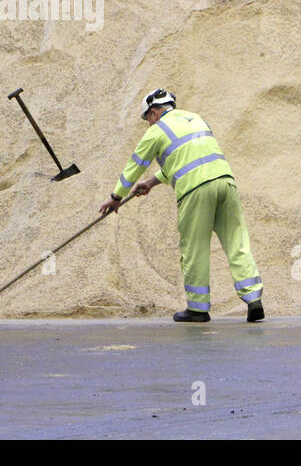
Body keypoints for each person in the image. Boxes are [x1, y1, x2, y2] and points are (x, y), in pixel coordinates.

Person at [99, 89, 264, 323]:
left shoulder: (156, 131)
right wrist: (151, 183)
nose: (147, 123)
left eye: (147, 118)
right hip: (225, 182)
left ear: (154, 112)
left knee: (194, 249)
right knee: (237, 242)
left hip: (195, 190)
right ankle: (254, 299)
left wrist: (117, 196)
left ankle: (197, 309)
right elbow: (186, 159)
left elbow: (134, 165)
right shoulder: (196, 118)